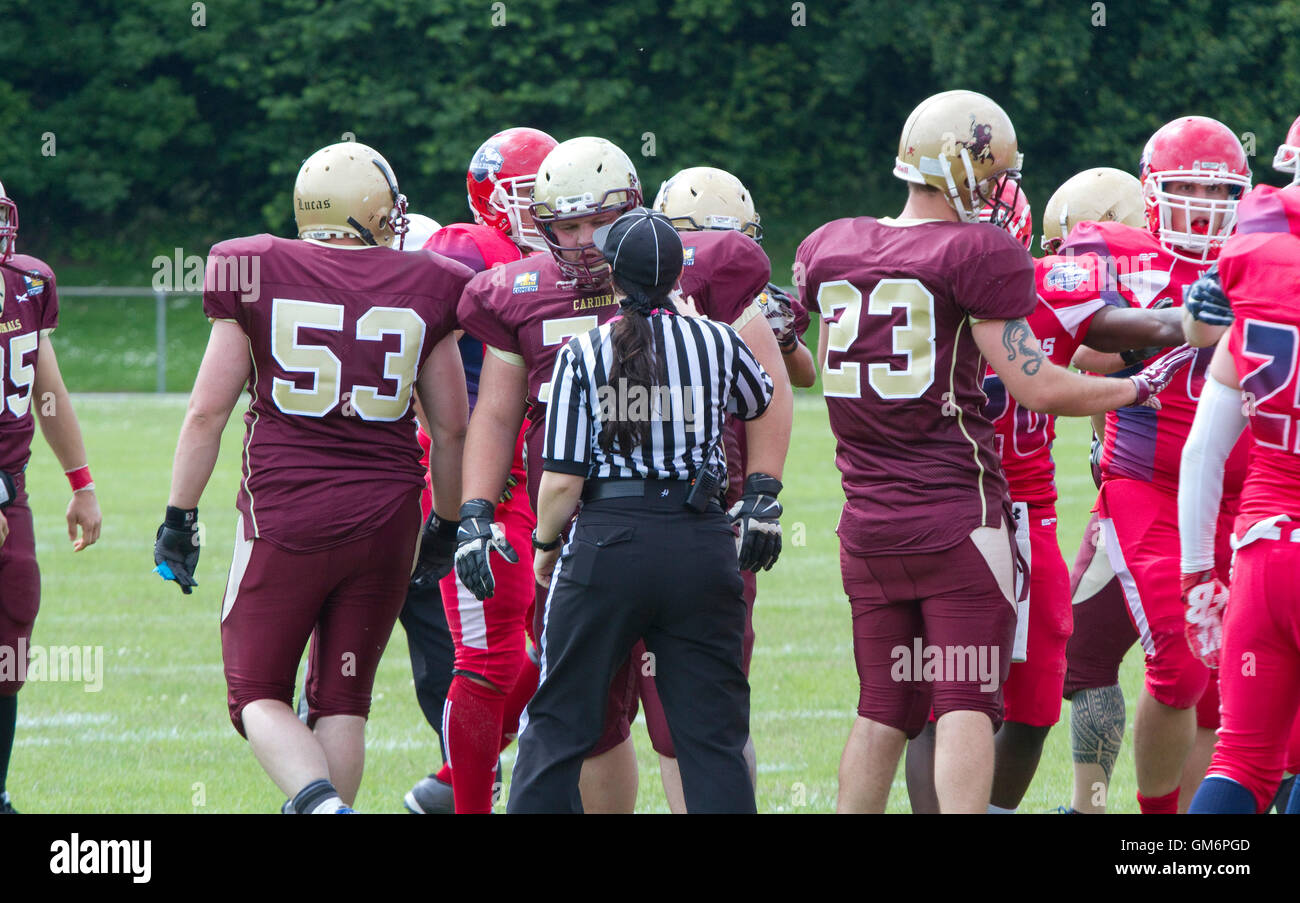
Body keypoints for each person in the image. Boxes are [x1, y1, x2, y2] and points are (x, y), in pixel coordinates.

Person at [797, 89, 1192, 814]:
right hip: (957, 518)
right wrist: (1137, 390)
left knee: (882, 705)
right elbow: (1037, 386)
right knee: (966, 701)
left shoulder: (830, 243)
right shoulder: (974, 251)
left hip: (866, 524)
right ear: (966, 171)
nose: (998, 188)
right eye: (992, 172)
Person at [454, 136, 790, 812]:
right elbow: (494, 414)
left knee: (636, 724)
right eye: (566, 225)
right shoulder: (524, 294)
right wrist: (476, 510)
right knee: (621, 726)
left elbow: (775, 395)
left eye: (594, 222)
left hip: (608, 538)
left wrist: (759, 492)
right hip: (684, 542)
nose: (580, 241)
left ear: (637, 213)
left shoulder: (696, 275)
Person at [153, 142, 471, 814]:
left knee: (256, 693)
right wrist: (445, 520)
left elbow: (208, 410)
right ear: (372, 211)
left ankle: (323, 806)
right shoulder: (432, 281)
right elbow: (451, 428)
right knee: (342, 697)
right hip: (390, 518)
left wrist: (179, 516)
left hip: (287, 515)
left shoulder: (255, 265)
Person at [903, 174, 1187, 813]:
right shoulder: (946, 289)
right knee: (949, 699)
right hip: (964, 505)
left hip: (1021, 511)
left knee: (1029, 699)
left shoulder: (1024, 285)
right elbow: (1090, 358)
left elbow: (1099, 343)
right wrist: (1172, 337)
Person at [1056, 116, 1252, 814]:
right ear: (1150, 192)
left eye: (1217, 189)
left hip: (1242, 495)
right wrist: (1169, 326)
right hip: (1147, 484)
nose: (1202, 203)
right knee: (1177, 655)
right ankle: (1149, 820)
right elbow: (1079, 348)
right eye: (1186, 187)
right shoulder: (1123, 252)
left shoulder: (1261, 253)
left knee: (1224, 676)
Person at [636, 164, 812, 812]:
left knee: (621, 716)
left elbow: (793, 374)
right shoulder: (735, 298)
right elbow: (790, 382)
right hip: (711, 513)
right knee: (698, 707)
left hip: (639, 516)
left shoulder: (631, 281)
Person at [402, 126, 556, 815]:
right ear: (493, 196)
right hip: (479, 484)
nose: (549, 207)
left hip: (542, 480)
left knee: (563, 657)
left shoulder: (563, 270)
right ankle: (464, 797)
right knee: (491, 658)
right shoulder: (472, 247)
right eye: (532, 192)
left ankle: (451, 776)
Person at [1179, 182, 1300, 813]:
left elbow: (1201, 452)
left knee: (1243, 761)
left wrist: (1198, 573)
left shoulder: (1258, 295)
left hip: (1261, 557)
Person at [0, 178, 102, 815]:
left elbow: (46, 386)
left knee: (9, 645)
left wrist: (81, 484)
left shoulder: (27, 283)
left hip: (13, 500)